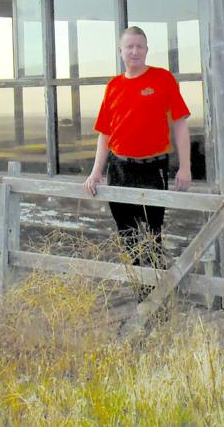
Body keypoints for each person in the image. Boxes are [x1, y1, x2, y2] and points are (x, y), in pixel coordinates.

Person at [83, 26, 192, 268]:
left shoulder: (162, 79)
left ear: (146, 50)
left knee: (153, 235)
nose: (135, 51)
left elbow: (180, 125)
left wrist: (185, 168)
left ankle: (159, 294)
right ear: (120, 51)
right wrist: (96, 171)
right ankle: (141, 294)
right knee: (128, 236)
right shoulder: (113, 86)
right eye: (129, 47)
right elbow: (105, 134)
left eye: (139, 47)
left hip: (153, 169)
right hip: (119, 167)